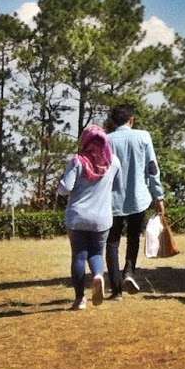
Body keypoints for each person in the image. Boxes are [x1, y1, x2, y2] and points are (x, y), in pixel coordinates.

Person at [103, 103, 165, 301]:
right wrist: (158, 195)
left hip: (112, 199)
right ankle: (129, 272)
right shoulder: (143, 136)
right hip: (138, 198)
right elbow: (152, 167)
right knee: (133, 237)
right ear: (131, 120)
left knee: (112, 242)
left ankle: (116, 290)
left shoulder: (107, 140)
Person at [58, 124, 123, 310]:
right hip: (102, 218)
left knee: (79, 255)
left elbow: (65, 189)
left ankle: (80, 299)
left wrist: (60, 184)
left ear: (85, 141)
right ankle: (98, 276)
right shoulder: (113, 162)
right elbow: (118, 187)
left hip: (77, 217)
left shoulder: (77, 161)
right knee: (96, 252)